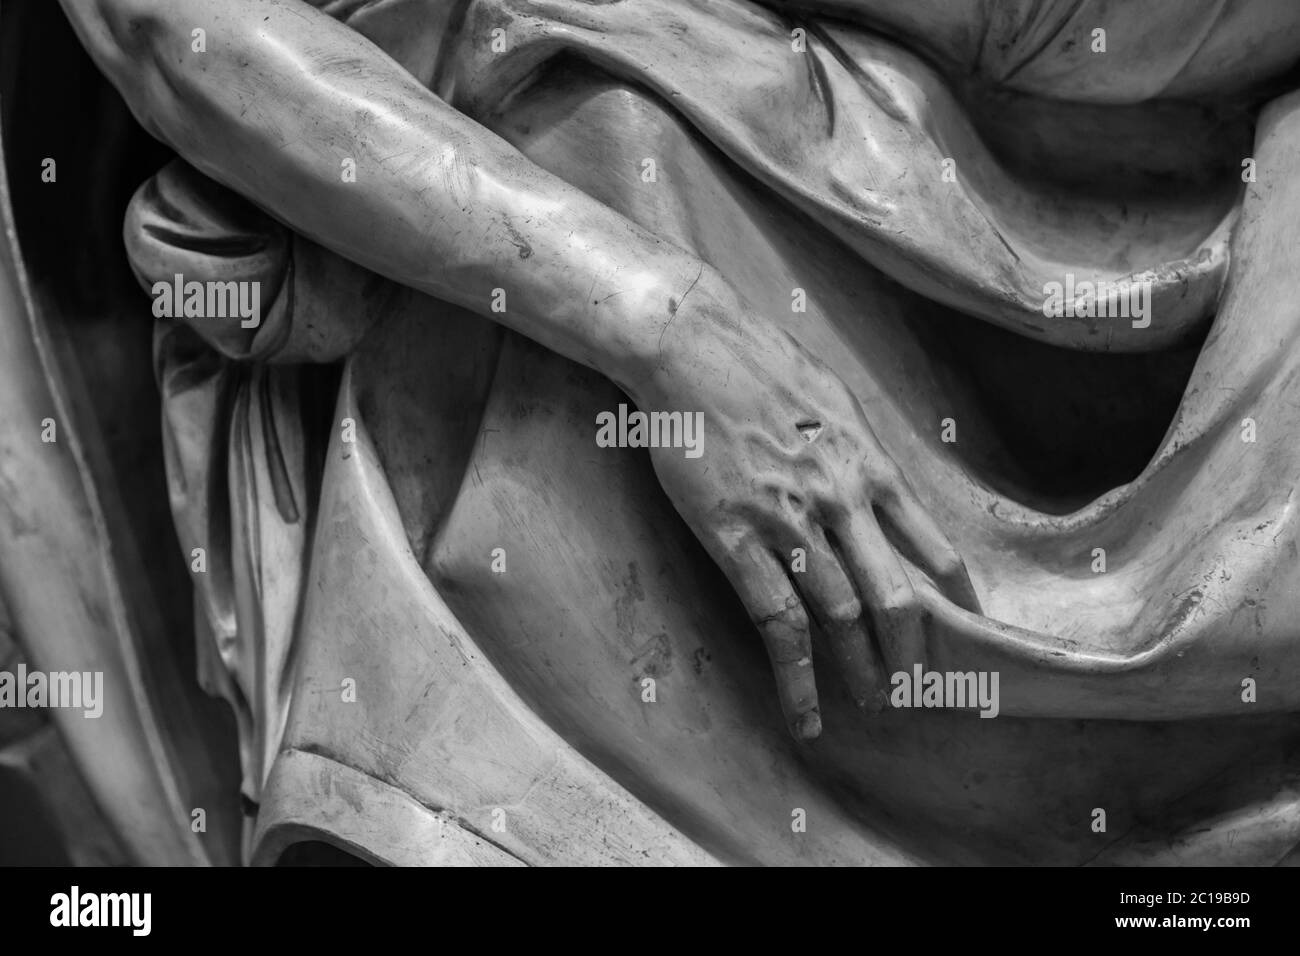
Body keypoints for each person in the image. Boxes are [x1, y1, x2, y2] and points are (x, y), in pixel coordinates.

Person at [55, 0, 1300, 864]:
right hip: (590, 191)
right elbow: (173, 32)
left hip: (1084, 154)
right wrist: (671, 330)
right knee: (594, 153)